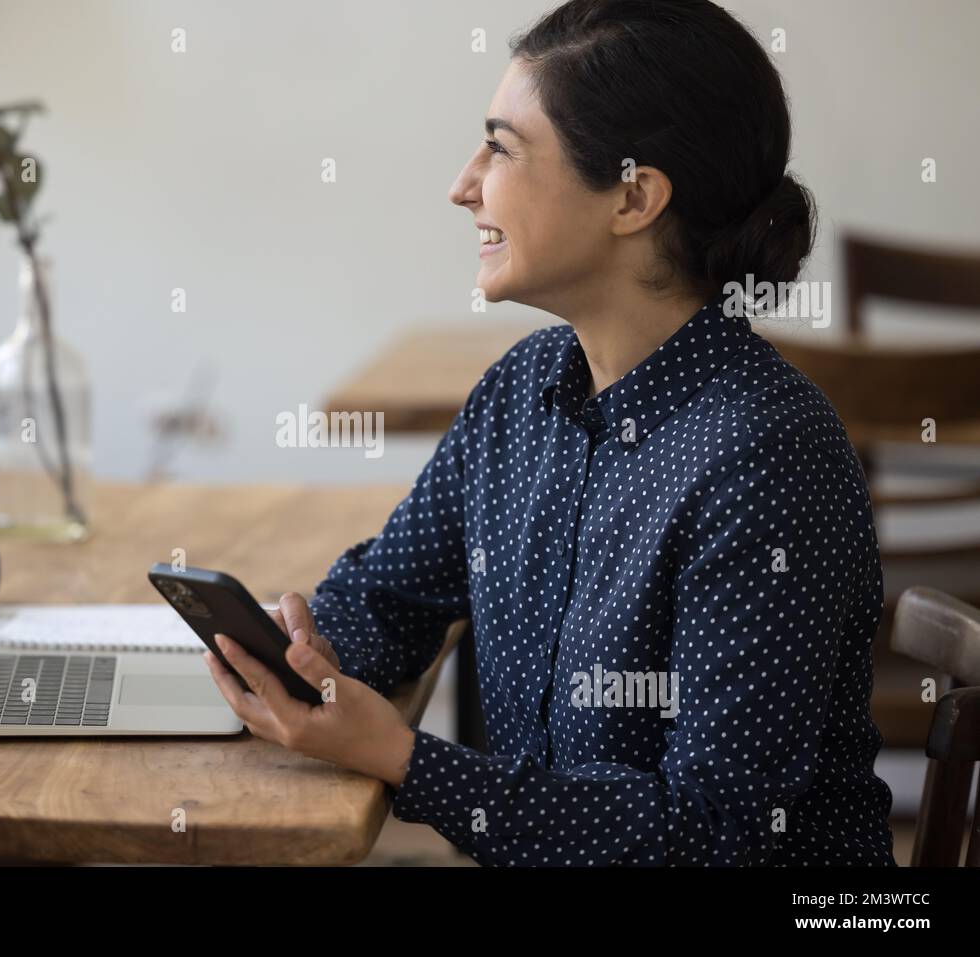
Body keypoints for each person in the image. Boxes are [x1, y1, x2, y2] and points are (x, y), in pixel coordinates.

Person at [202, 0, 896, 866]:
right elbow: (390, 601)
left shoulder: (767, 458)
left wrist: (399, 755)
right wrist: (292, 649)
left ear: (633, 197)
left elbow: (716, 836)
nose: (463, 185)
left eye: (502, 147)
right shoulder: (520, 393)